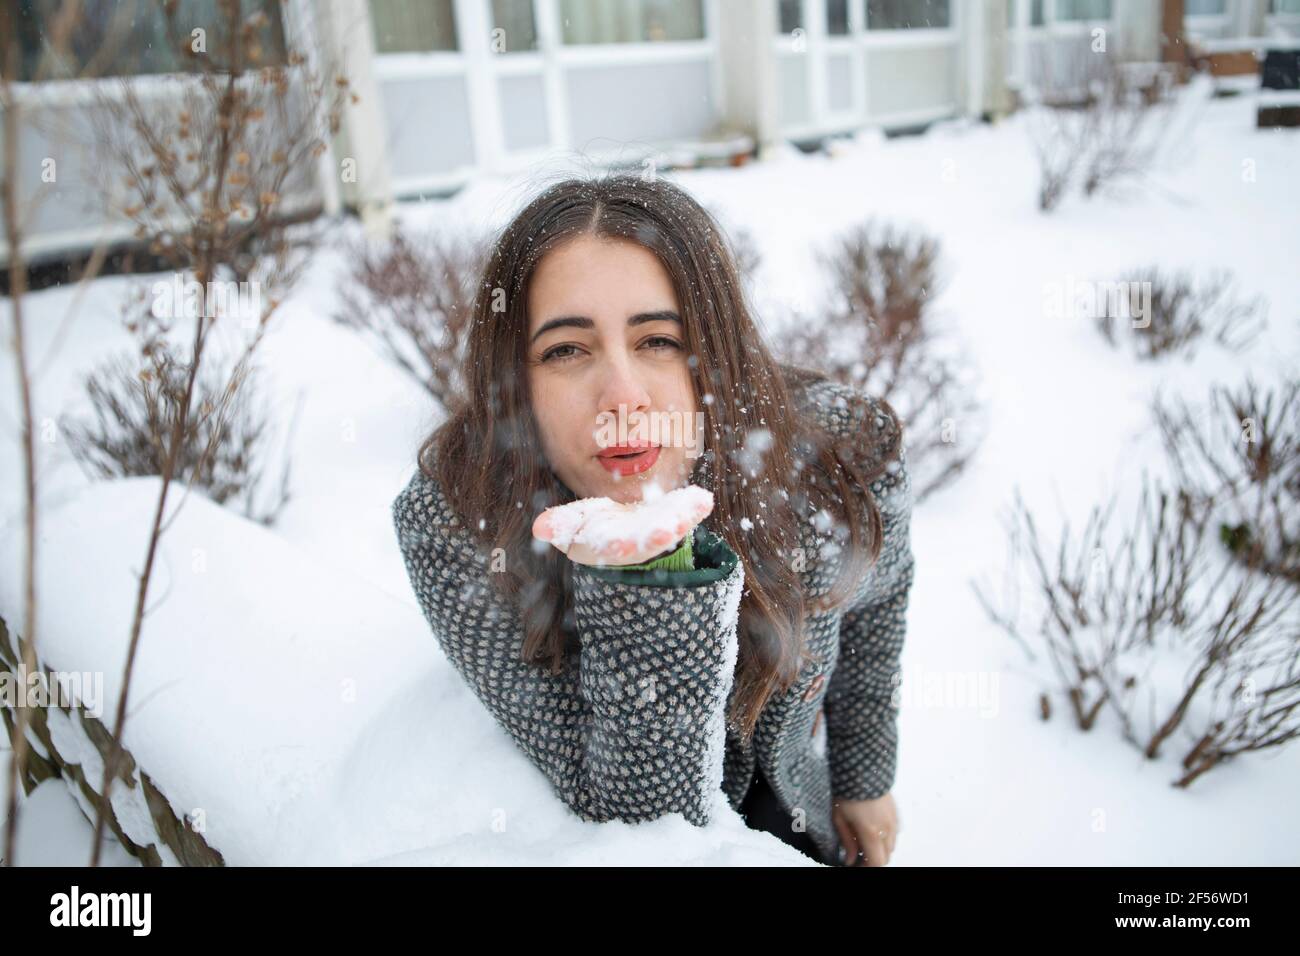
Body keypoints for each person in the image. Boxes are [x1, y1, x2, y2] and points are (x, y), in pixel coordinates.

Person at [391, 173, 913, 867]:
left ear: (716, 353)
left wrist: (863, 776)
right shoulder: (458, 520)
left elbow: (878, 598)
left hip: (795, 805)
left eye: (659, 340)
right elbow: (647, 825)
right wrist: (648, 566)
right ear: (516, 378)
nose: (623, 397)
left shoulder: (833, 454)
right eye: (566, 350)